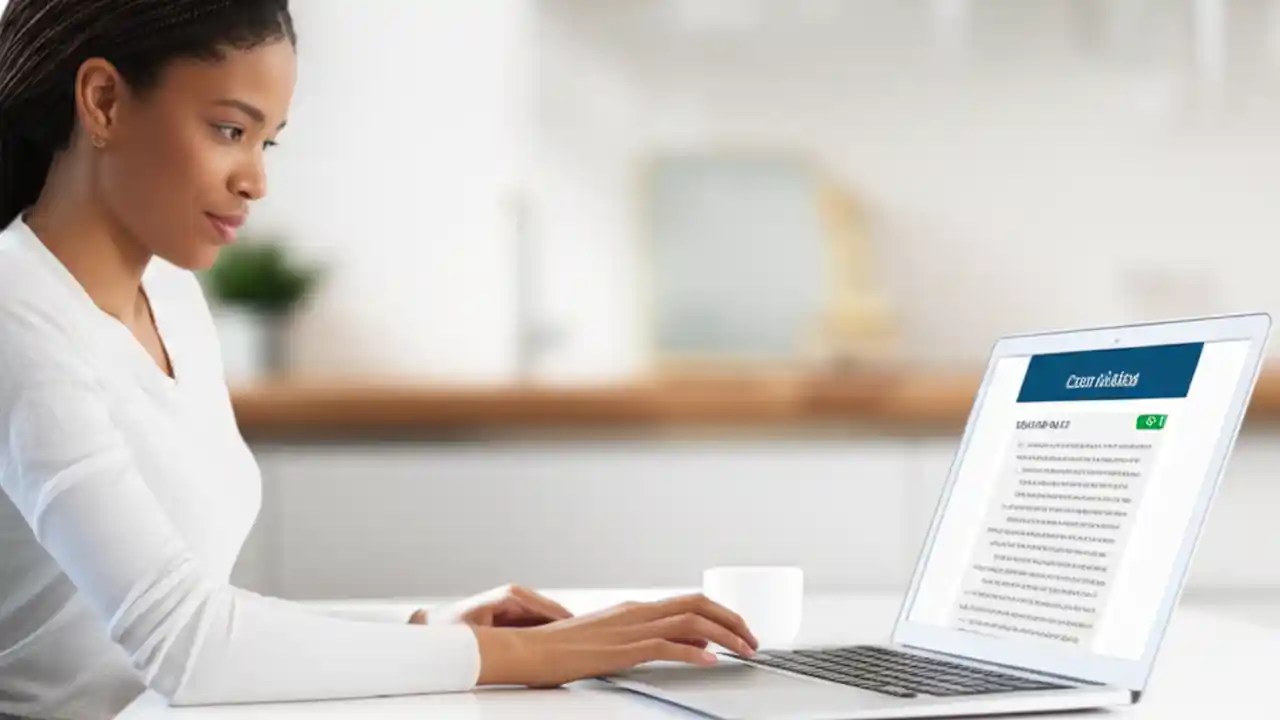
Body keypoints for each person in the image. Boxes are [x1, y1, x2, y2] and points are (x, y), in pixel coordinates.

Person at [0, 2, 758, 717]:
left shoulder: (169, 296)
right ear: (102, 101)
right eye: (230, 130)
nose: (256, 179)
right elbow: (190, 646)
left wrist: (424, 628)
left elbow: (200, 620)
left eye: (268, 142)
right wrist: (520, 654)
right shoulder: (17, 317)